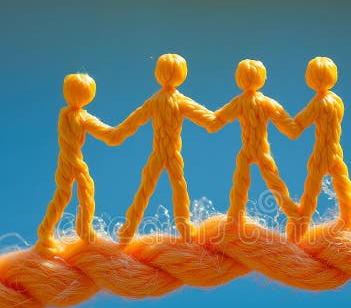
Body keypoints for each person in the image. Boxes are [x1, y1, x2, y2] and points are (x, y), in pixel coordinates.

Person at [111, 53, 218, 244]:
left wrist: (117, 133)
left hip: (159, 152)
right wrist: (225, 115)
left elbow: (135, 120)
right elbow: (208, 119)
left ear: (158, 73)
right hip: (171, 152)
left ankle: (128, 230)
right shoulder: (180, 101)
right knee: (178, 189)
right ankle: (184, 228)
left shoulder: (156, 101)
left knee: (146, 189)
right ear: (181, 75)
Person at [210, 59, 301, 227]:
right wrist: (299, 125)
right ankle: (294, 215)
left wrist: (199, 115)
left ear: (239, 78)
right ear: (262, 78)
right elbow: (290, 128)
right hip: (260, 150)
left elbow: (216, 120)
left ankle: (235, 220)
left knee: (240, 185)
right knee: (274, 185)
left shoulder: (239, 102)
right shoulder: (266, 103)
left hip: (248, 151)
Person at [36, 73, 118, 251]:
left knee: (64, 194)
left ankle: (48, 232)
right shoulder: (81, 117)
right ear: (89, 96)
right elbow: (107, 134)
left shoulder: (65, 113)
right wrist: (123, 130)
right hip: (72, 159)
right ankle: (82, 230)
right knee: (84, 189)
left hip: (66, 159)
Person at [291, 57, 351, 239]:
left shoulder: (318, 104)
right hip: (335, 152)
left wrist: (281, 119)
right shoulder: (337, 101)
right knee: (344, 191)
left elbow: (298, 125)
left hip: (322, 154)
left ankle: (297, 233)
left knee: (310, 196)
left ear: (310, 79)